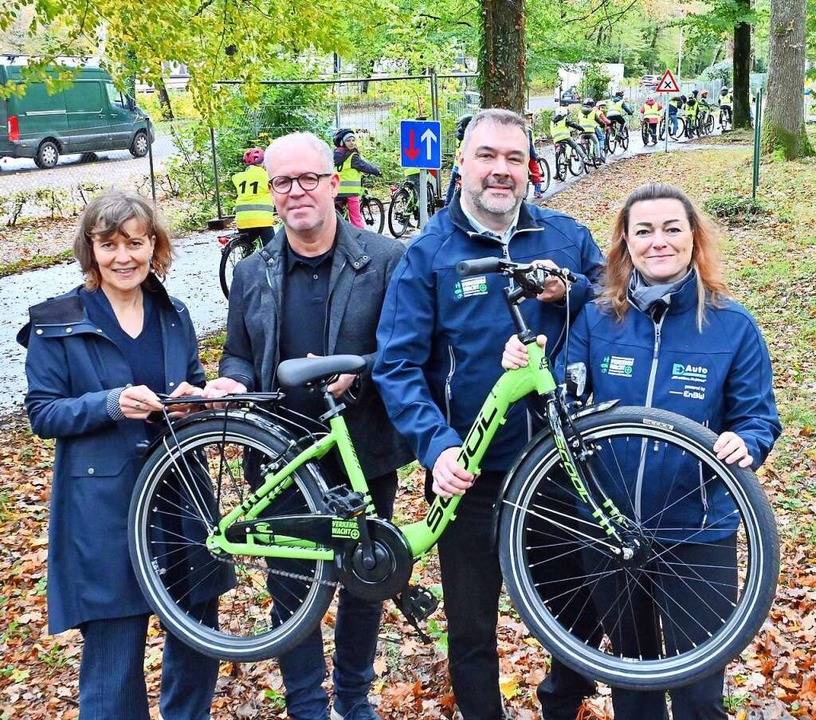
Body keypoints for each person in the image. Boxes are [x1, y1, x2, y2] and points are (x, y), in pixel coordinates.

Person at [502, 182, 782, 720]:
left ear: (693, 239)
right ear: (625, 244)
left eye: (672, 228)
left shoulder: (732, 325)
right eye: (644, 231)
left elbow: (758, 417)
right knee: (633, 686)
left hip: (696, 530)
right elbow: (562, 412)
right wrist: (529, 370)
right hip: (608, 531)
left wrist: (746, 442)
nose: (659, 242)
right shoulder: (595, 320)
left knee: (700, 696)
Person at [373, 108, 605, 720]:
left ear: (529, 166)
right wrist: (437, 446)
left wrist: (571, 289)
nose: (500, 171)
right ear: (462, 165)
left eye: (512, 158)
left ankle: (560, 704)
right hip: (469, 474)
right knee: (471, 625)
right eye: (487, 156)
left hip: (558, 468)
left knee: (577, 608)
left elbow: (615, 305)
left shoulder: (566, 237)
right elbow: (396, 366)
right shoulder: (427, 252)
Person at [203, 131, 412, 720]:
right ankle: (307, 704)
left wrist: (360, 374)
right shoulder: (250, 272)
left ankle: (353, 699)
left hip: (362, 449)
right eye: (283, 182)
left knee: (366, 579)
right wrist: (233, 382)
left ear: (332, 183)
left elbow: (401, 349)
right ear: (271, 192)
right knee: (289, 586)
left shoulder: (384, 260)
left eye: (308, 179)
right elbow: (240, 354)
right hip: (279, 453)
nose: (296, 192)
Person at [17, 190, 223, 720]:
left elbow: (192, 384)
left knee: (197, 641)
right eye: (108, 244)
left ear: (154, 245)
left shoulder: (172, 313)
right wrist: (109, 404)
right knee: (113, 662)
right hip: (102, 506)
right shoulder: (57, 321)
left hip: (182, 500)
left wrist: (190, 405)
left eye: (135, 241)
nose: (123, 256)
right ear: (91, 249)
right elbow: (43, 412)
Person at [333, 129, 382, 228]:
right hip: (350, 192)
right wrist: (377, 171)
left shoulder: (333, 154)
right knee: (356, 218)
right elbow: (364, 166)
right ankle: (360, 238)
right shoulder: (352, 156)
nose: (351, 143)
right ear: (343, 142)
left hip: (336, 190)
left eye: (353, 140)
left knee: (334, 214)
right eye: (348, 140)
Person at [232, 147, 277, 243]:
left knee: (247, 245)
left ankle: (246, 253)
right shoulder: (267, 176)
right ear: (263, 163)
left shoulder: (238, 177)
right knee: (272, 248)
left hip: (242, 221)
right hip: (262, 220)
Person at [445, 113, 473, 206]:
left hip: (456, 165)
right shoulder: (469, 137)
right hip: (465, 166)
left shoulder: (459, 135)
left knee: (451, 184)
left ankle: (447, 204)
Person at [524, 108, 545, 198]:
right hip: (528, 153)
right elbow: (529, 144)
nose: (530, 119)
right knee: (535, 170)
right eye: (528, 118)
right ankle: (537, 191)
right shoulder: (528, 129)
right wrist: (534, 156)